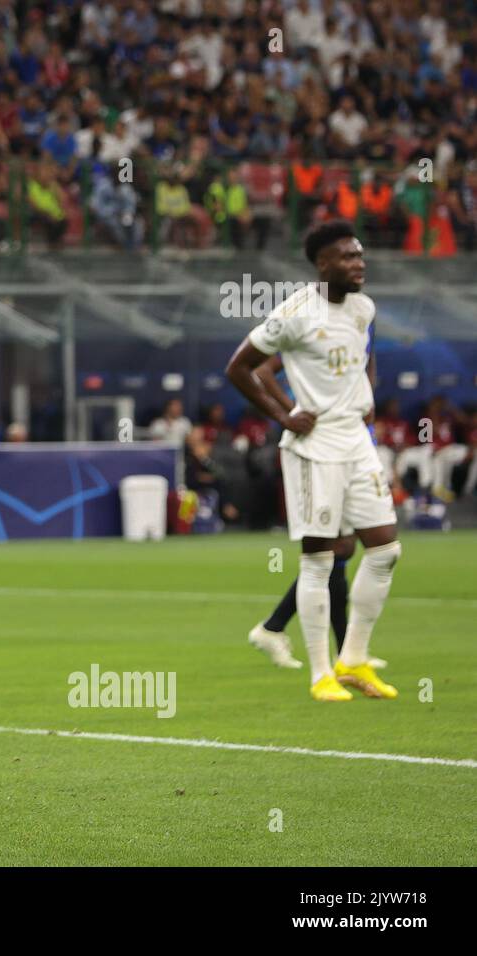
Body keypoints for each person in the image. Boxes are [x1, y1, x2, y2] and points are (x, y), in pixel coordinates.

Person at [226, 220, 400, 702]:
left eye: (360, 255)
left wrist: (362, 393)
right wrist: (285, 414)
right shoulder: (295, 312)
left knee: (385, 549)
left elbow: (360, 355)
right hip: (315, 448)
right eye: (347, 256)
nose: (358, 263)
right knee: (321, 560)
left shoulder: (363, 308)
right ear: (323, 263)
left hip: (356, 441)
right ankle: (320, 673)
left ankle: (354, 660)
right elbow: (240, 367)